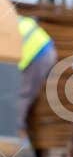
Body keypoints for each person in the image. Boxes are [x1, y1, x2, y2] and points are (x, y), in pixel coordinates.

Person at [17, 10, 57, 139]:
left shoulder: (8, 26)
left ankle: (15, 132)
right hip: (41, 54)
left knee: (23, 94)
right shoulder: (16, 20)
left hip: (39, 56)